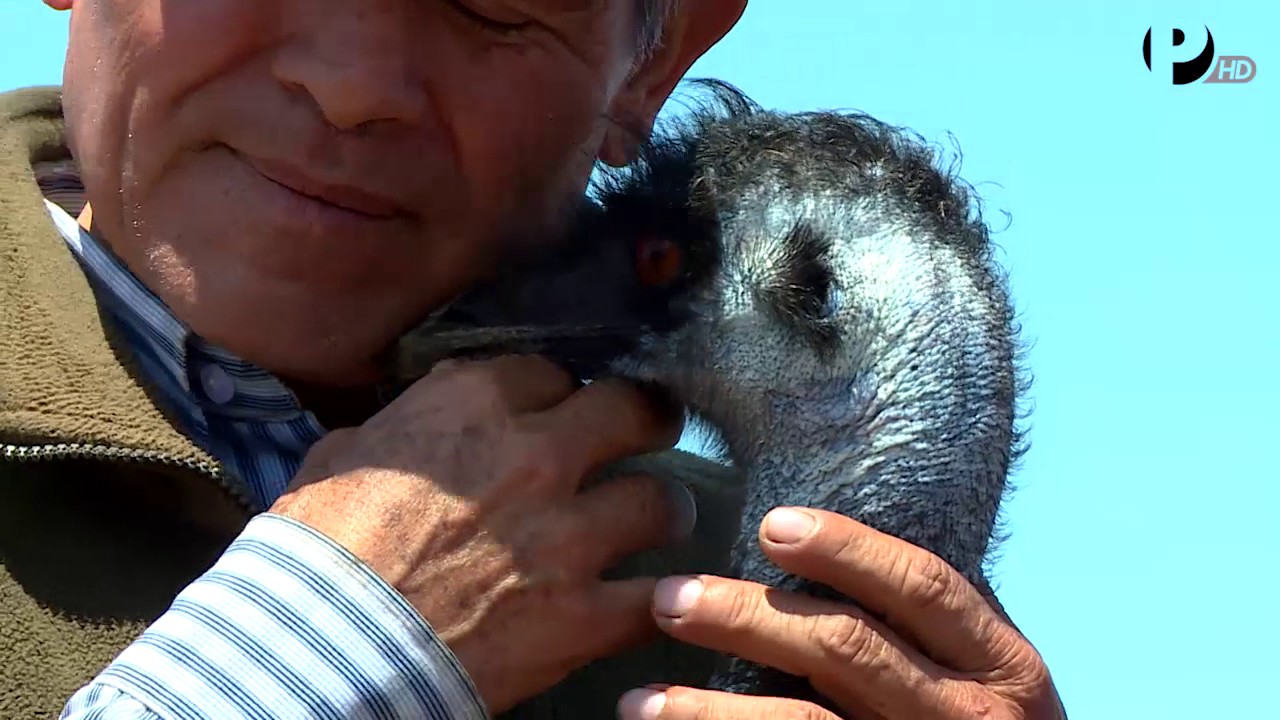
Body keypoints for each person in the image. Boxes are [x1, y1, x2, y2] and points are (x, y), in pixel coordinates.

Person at [0, 1, 1066, 718]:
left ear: (649, 62)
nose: (353, 83)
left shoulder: (763, 618)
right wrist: (321, 642)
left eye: (495, 3)